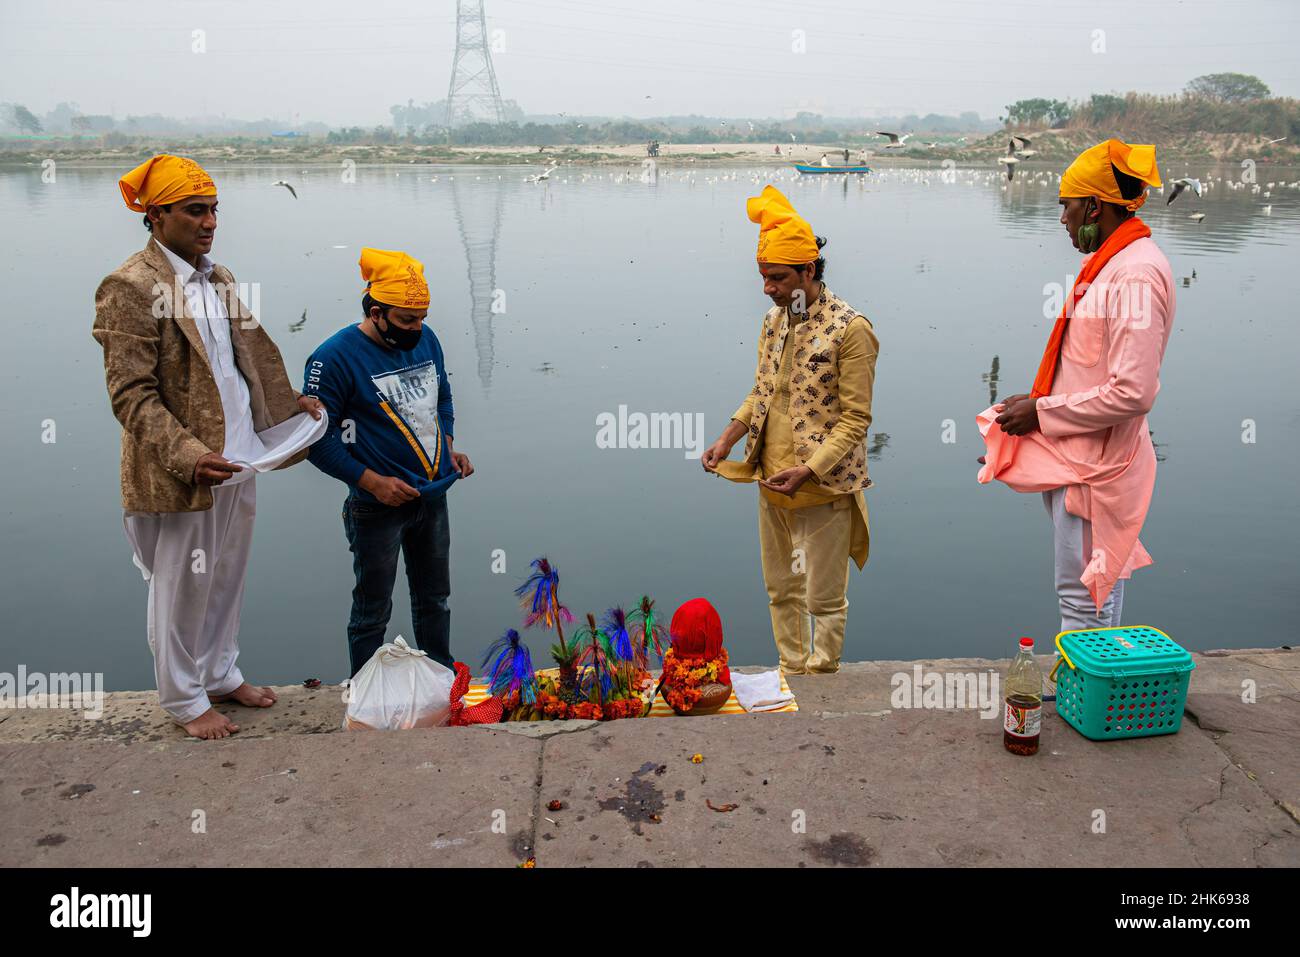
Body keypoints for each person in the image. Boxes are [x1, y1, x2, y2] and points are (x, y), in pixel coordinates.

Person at [93, 155, 323, 740]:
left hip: (241, 456)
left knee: (226, 573)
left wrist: (291, 405)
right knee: (182, 583)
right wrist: (189, 455)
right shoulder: (132, 286)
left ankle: (219, 673)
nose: (210, 221)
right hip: (186, 470)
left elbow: (244, 362)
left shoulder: (215, 277)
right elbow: (132, 395)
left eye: (214, 208)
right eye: (195, 210)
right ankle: (183, 697)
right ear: (156, 215)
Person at [978, 139, 1173, 631]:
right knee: (1091, 594)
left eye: (1065, 206)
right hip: (1082, 459)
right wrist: (1038, 401)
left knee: (1085, 598)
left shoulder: (1135, 273)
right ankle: (1091, 693)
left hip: (1098, 468)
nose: (1062, 218)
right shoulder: (1112, 263)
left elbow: (1133, 391)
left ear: (1093, 205)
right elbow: (1091, 370)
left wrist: (1042, 414)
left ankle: (1086, 700)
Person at [702, 186, 879, 674]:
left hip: (821, 486)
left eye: (778, 278)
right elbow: (762, 392)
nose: (768, 288)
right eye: (763, 277)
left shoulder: (851, 329)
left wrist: (809, 469)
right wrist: (727, 438)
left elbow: (856, 419)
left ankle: (822, 675)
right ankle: (790, 670)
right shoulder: (774, 322)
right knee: (781, 589)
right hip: (771, 479)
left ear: (809, 271)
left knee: (823, 596)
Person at [304, 248, 474, 677]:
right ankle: (364, 694)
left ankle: (441, 683)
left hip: (432, 497)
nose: (417, 329)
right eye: (405, 320)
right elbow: (316, 441)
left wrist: (447, 444)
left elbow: (443, 397)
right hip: (375, 508)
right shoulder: (334, 358)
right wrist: (372, 481)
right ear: (376, 312)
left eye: (421, 318)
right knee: (372, 610)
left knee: (435, 599)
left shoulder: (426, 339)